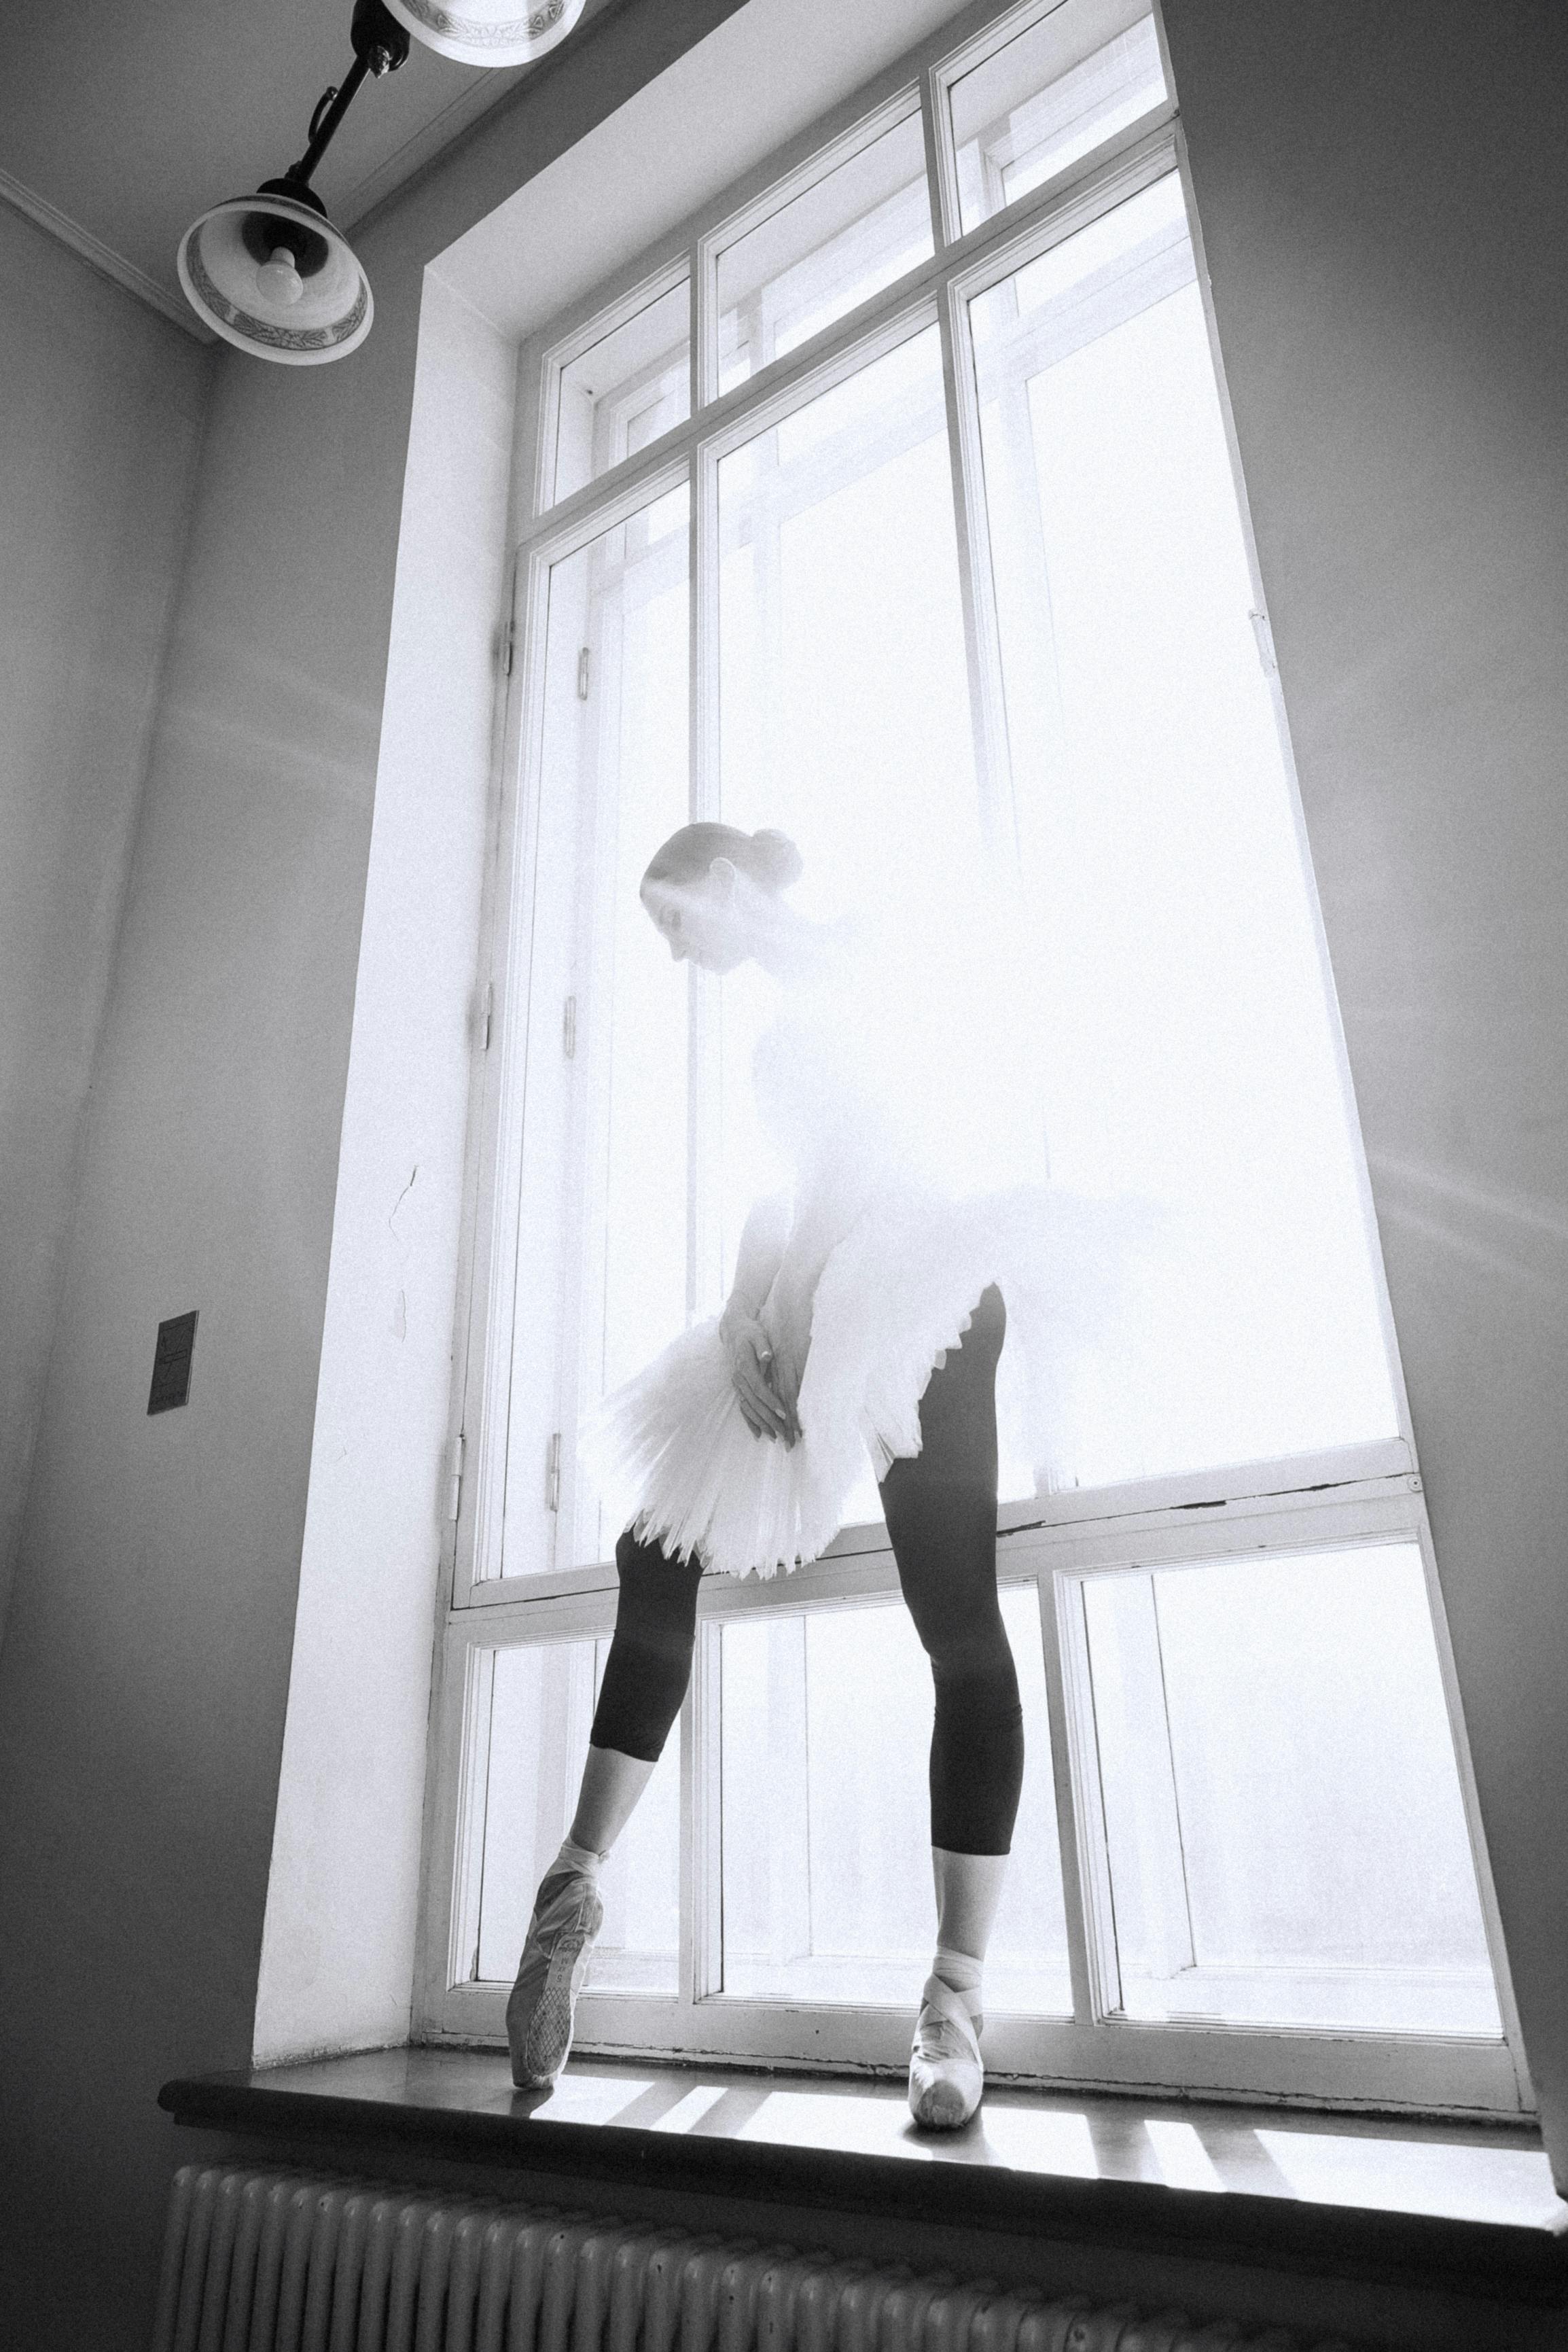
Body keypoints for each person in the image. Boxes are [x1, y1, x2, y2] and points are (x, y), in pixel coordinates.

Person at [507, 821, 1113, 2128]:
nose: (676, 954)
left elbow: (886, 1128)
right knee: (653, 1543)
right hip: (808, 1292)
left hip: (914, 1284)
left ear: (721, 879)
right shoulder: (769, 1044)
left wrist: (792, 1277)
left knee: (954, 1619)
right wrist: (742, 1304)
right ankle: (572, 1889)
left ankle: (954, 1996)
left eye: (673, 920)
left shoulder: (874, 948)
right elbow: (777, 1193)